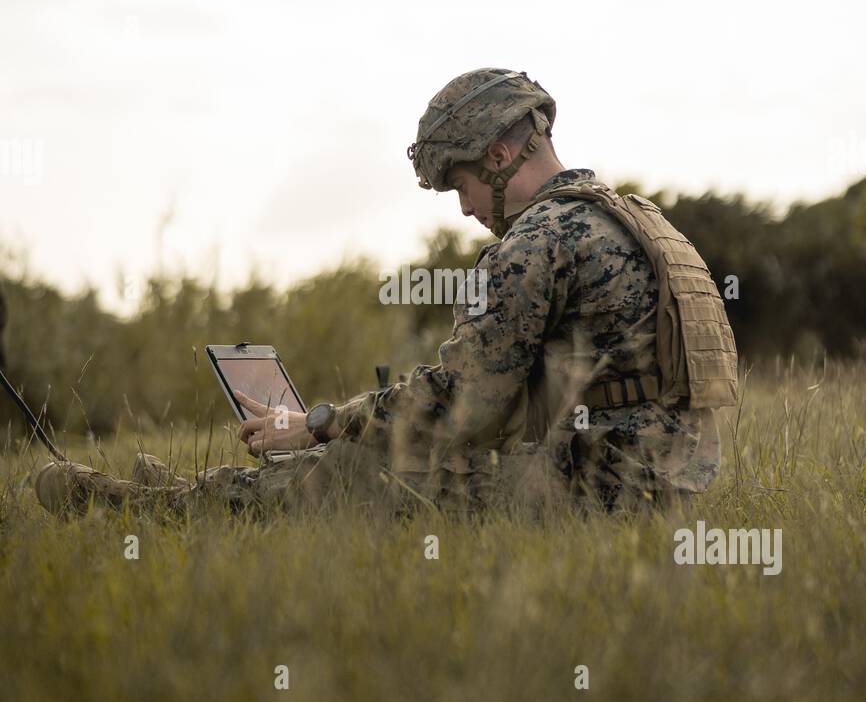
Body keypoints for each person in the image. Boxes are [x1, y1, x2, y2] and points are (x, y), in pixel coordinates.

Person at [35, 67, 737, 519]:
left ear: (498, 156)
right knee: (381, 454)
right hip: (667, 478)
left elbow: (452, 405)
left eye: (460, 186)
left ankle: (138, 508)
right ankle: (179, 491)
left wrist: (315, 422)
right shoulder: (631, 215)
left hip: (605, 490)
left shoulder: (536, 242)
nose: (465, 209)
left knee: (359, 473)